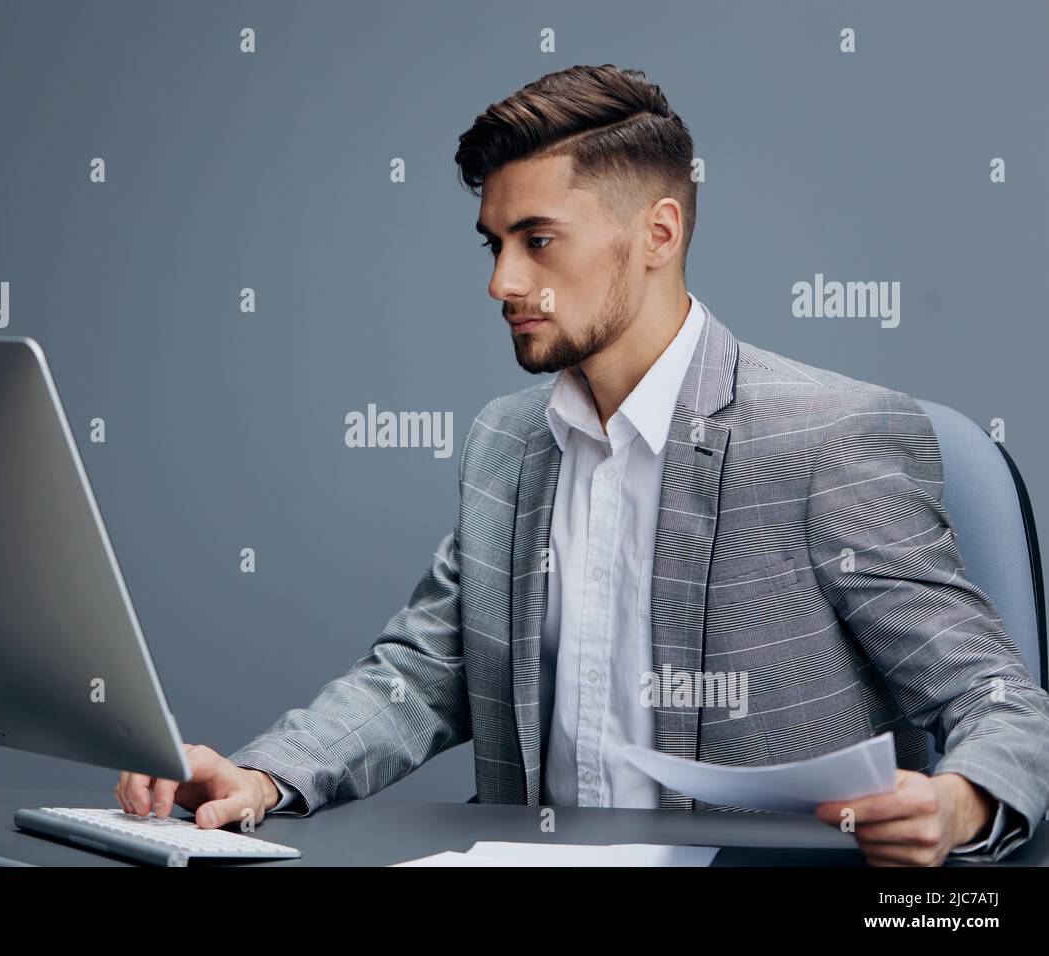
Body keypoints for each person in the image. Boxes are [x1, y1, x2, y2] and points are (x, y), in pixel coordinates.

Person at [117, 64, 1049, 865]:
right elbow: (423, 673)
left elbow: (1002, 703)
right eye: (494, 245)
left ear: (658, 233)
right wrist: (265, 774)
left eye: (538, 240)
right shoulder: (506, 443)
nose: (502, 283)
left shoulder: (828, 438)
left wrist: (960, 805)